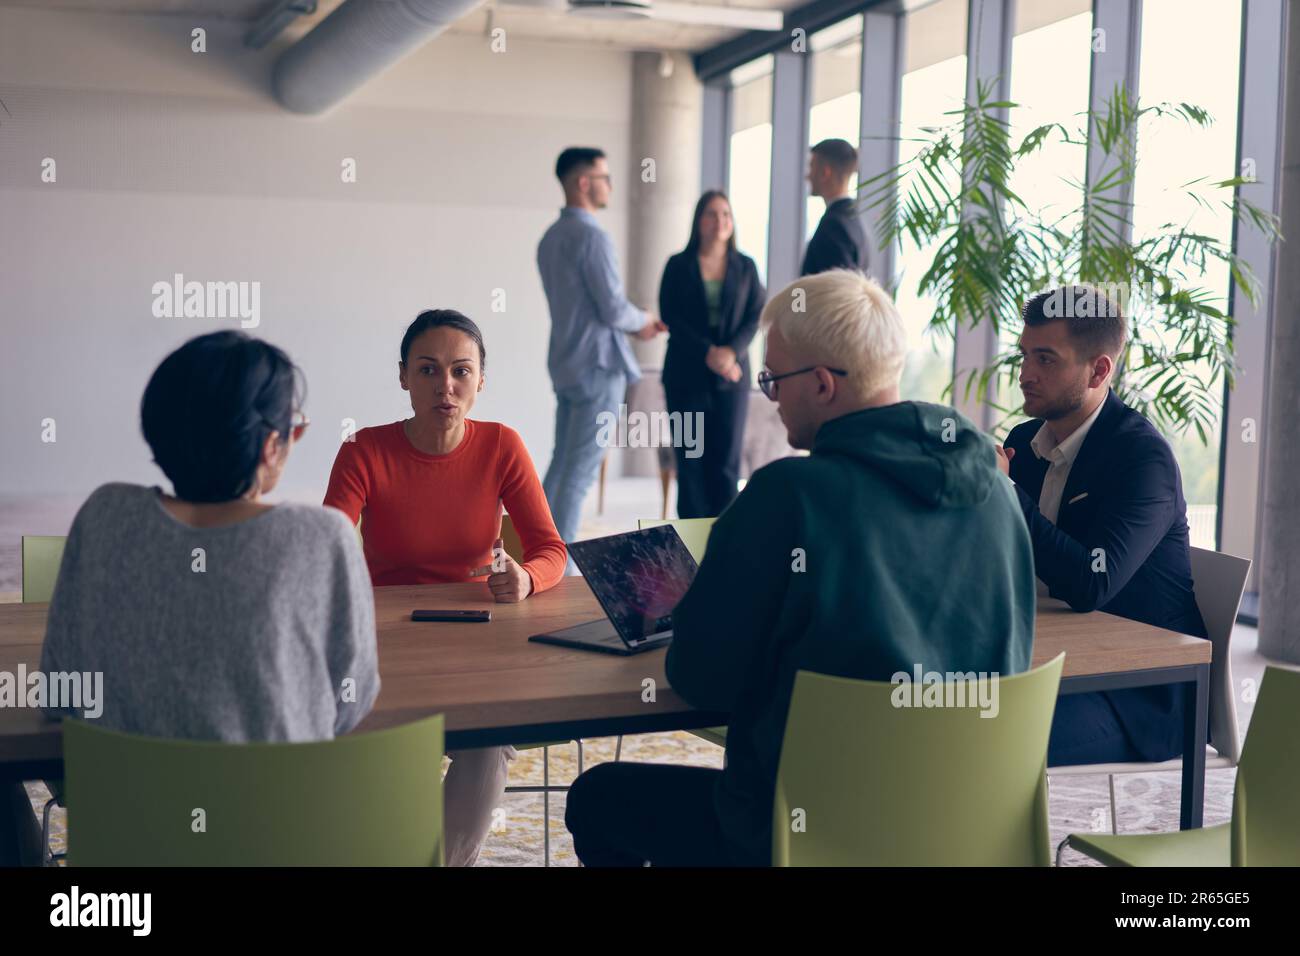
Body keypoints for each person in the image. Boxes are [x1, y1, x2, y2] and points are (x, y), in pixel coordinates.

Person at [564, 270, 1035, 866]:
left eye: (773, 379)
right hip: (958, 831)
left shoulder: (788, 496)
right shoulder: (996, 490)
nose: (770, 395)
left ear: (821, 384)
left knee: (598, 796)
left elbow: (703, 678)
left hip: (798, 836)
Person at [40, 331, 379, 741]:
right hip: (283, 802)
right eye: (294, 426)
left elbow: (58, 693)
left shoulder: (104, 515)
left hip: (124, 803)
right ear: (272, 445)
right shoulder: (321, 537)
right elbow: (349, 702)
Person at [323, 309, 566, 866]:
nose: (446, 387)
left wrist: (527, 578)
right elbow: (327, 556)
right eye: (428, 370)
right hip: (385, 647)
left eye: (461, 371)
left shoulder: (502, 445)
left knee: (485, 746)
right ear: (403, 376)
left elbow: (551, 549)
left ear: (482, 379)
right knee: (366, 744)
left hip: (475, 647)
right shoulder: (364, 451)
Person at [995, 285, 1206, 766]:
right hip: (1049, 659)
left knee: (983, 737)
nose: (1025, 374)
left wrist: (1006, 495)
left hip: (1137, 693)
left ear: (1099, 369)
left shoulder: (1142, 460)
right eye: (1024, 355)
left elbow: (1092, 583)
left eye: (1045, 359)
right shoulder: (1024, 442)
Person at [537, 146, 665, 551]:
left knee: (560, 469)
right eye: (605, 177)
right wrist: (644, 321)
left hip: (566, 363)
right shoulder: (592, 236)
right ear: (583, 182)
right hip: (598, 366)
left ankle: (539, 556)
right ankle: (561, 571)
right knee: (578, 476)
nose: (610, 184)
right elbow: (611, 308)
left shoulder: (550, 238)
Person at [658, 190, 765, 518]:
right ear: (698, 221)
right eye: (711, 214)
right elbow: (670, 315)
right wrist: (709, 353)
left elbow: (755, 313)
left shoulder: (745, 266)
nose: (719, 221)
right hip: (685, 376)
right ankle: (688, 547)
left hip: (731, 378)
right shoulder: (678, 265)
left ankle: (723, 544)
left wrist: (731, 352)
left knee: (726, 465)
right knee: (690, 462)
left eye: (726, 215)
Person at [801, 138, 869, 277]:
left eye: (811, 167)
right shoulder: (853, 220)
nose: (807, 176)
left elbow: (837, 291)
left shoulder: (834, 225)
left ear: (825, 173)